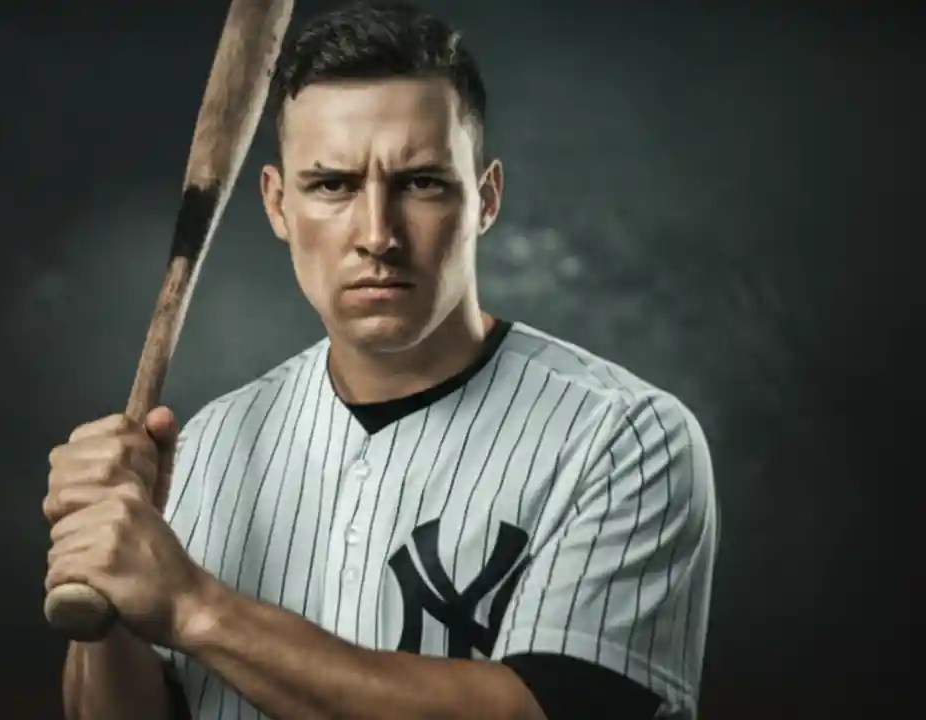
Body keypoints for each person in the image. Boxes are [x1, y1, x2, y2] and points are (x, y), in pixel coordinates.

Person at [41, 2, 718, 718]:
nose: (376, 233)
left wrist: (193, 608)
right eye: (332, 184)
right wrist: (109, 580)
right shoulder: (207, 447)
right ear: (276, 205)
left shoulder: (627, 439)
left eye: (419, 183)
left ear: (485, 200)